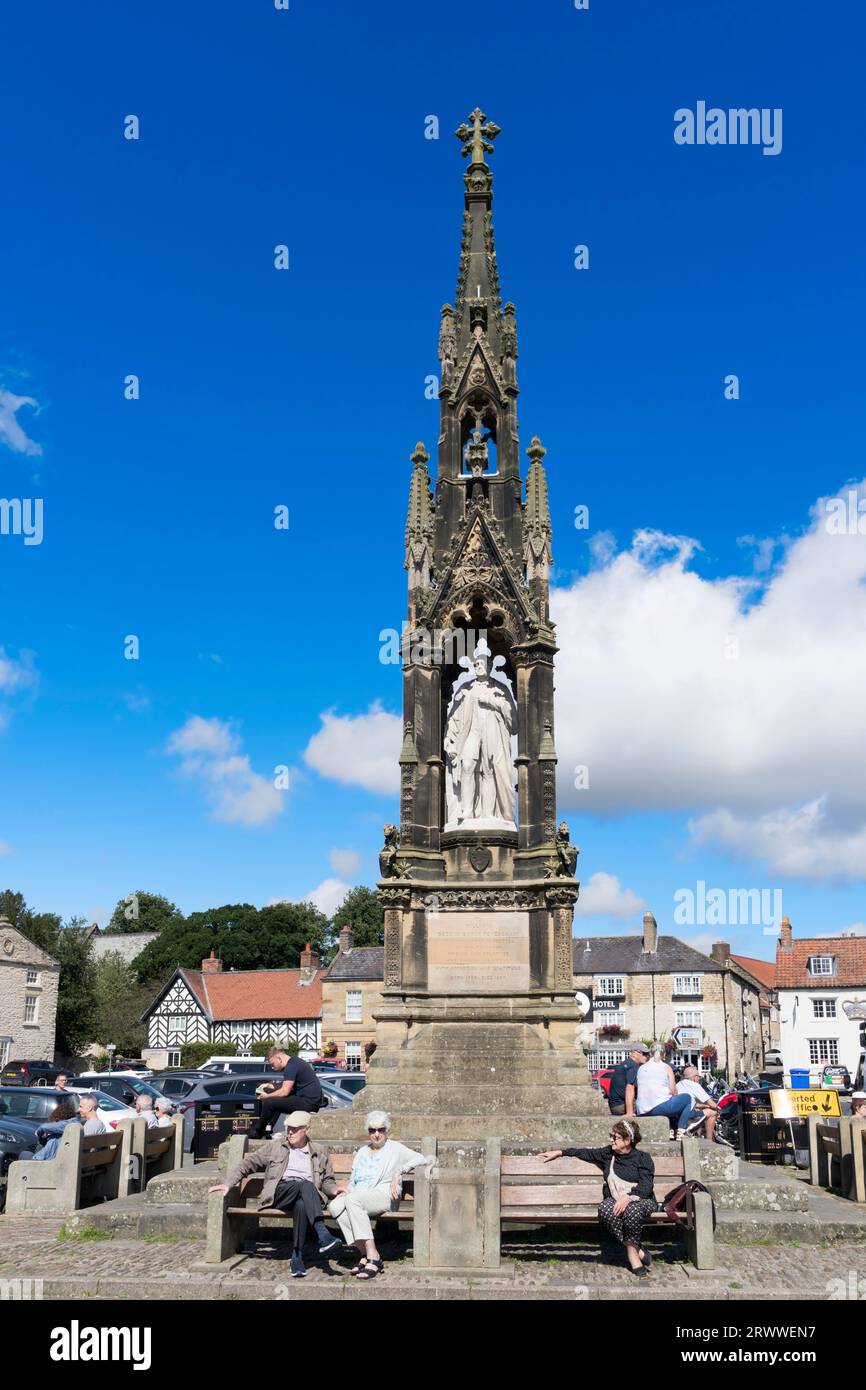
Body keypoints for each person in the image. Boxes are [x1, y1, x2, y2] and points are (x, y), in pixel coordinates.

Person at [208, 1112, 341, 1279]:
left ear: (306, 1130)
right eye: (288, 1128)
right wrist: (228, 1183)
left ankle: (297, 1257)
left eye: (294, 1129)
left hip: (307, 1197)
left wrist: (335, 1190)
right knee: (305, 1184)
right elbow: (248, 1163)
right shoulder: (276, 1147)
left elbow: (327, 1180)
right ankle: (322, 1233)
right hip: (280, 1193)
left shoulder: (320, 1151)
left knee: (301, 1204)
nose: (290, 1132)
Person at [540, 1120, 657, 1276]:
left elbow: (646, 1185)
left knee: (632, 1210)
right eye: (611, 1136)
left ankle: (632, 1257)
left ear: (628, 1140)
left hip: (642, 1200)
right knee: (605, 1208)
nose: (611, 1140)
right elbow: (586, 1153)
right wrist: (560, 1152)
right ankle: (638, 1250)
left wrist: (628, 1197)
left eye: (615, 1137)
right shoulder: (608, 1154)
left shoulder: (643, 1158)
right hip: (615, 1200)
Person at [328, 1112, 435, 1280]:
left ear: (387, 1131)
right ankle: (364, 1253)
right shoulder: (362, 1151)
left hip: (385, 1195)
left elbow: (423, 1158)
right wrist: (347, 1188)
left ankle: (373, 1257)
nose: (376, 1134)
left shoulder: (395, 1148)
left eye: (380, 1130)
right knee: (335, 1206)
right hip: (358, 1195)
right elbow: (354, 1180)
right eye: (372, 1130)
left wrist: (399, 1171)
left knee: (353, 1200)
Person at [248, 1047, 323, 1140]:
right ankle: (268, 1130)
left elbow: (284, 1091)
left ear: (279, 1059)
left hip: (308, 1102)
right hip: (310, 1101)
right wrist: (270, 1085)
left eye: (272, 1064)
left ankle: (256, 1132)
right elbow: (287, 1086)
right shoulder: (295, 1062)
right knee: (276, 1100)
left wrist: (267, 1096)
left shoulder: (291, 1066)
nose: (272, 1067)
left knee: (270, 1102)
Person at [635, 1050, 694, 1138]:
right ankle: (681, 1132)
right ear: (664, 1055)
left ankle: (670, 1129)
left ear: (650, 1054)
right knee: (687, 1098)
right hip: (658, 1108)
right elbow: (674, 1091)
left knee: (666, 1099)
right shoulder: (666, 1067)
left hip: (641, 1110)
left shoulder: (641, 1068)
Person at [676, 1064, 721, 1140]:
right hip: (688, 1115)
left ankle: (696, 1135)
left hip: (677, 1114)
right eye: (698, 1077)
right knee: (713, 1112)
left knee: (701, 1111)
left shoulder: (678, 1084)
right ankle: (709, 1141)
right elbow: (711, 1103)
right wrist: (719, 1109)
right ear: (694, 1077)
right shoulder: (694, 1085)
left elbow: (694, 1104)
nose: (699, 1079)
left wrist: (706, 1106)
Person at [606, 1043, 650, 1116]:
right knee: (654, 1104)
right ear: (635, 1053)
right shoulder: (633, 1066)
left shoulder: (626, 1063)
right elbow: (629, 1088)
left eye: (648, 1054)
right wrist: (629, 1112)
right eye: (644, 1054)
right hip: (620, 1106)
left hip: (615, 1106)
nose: (647, 1056)